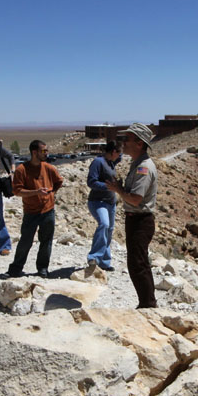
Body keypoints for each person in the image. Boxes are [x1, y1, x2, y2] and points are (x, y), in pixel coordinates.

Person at [107, 123, 158, 308]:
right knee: (139, 262)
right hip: (135, 219)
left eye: (127, 139)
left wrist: (117, 189)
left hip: (140, 220)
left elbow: (136, 199)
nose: (123, 143)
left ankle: (148, 305)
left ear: (139, 143)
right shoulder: (136, 164)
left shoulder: (143, 167)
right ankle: (147, 302)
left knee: (138, 264)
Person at [7, 140, 63, 278]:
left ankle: (43, 268)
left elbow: (59, 181)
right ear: (34, 152)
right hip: (31, 211)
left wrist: (51, 194)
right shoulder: (22, 170)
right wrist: (36, 192)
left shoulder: (49, 168)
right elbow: (17, 191)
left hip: (48, 211)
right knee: (26, 241)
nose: (46, 153)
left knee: (46, 241)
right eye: (43, 151)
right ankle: (16, 268)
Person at [86, 140, 121, 271]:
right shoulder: (98, 162)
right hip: (98, 201)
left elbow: (120, 156)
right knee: (104, 224)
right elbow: (91, 182)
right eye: (118, 153)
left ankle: (105, 263)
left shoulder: (111, 162)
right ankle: (94, 257)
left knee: (109, 230)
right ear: (113, 152)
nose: (120, 156)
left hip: (111, 202)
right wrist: (108, 186)